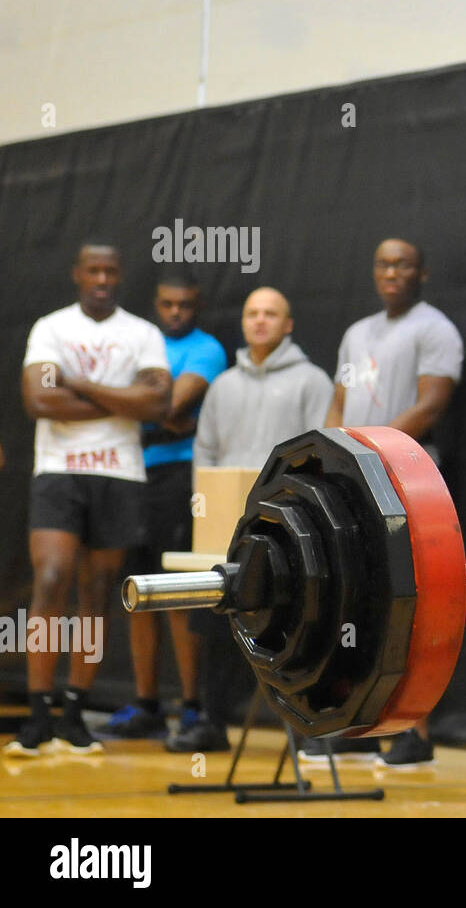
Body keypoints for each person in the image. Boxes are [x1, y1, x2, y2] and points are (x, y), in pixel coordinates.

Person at [6, 241, 171, 757]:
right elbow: (37, 400)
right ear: (77, 274)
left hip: (119, 472)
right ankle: (38, 712)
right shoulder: (51, 328)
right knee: (52, 578)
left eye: (111, 271)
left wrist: (75, 384)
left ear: (120, 277)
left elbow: (157, 403)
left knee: (98, 591)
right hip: (59, 470)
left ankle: (75, 710)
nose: (102, 278)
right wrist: (119, 397)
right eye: (93, 270)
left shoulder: (141, 333)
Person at [311, 237, 462, 768]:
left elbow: (432, 403)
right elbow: (338, 401)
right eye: (383, 263)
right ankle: (361, 726)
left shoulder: (435, 328)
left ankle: (414, 735)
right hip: (353, 482)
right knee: (357, 599)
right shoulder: (356, 334)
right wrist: (331, 456)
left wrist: (372, 455)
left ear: (421, 272)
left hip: (407, 481)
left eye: (402, 264)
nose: (392, 271)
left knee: (410, 600)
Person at [174, 286, 334, 752]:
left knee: (298, 626)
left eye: (271, 314)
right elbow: (204, 453)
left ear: (288, 325)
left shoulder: (312, 381)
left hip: (292, 534)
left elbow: (319, 454)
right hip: (228, 532)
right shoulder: (223, 386)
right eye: (252, 313)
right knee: (218, 620)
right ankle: (212, 721)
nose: (260, 321)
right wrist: (209, 505)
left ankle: (308, 731)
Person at [103, 271, 227, 740]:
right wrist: (150, 412)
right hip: (129, 472)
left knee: (176, 590)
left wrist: (135, 407)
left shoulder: (207, 349)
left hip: (178, 480)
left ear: (197, 306)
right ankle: (147, 703)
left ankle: (192, 705)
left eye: (185, 305)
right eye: (168, 304)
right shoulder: (139, 345)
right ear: (156, 304)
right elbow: (153, 411)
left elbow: (169, 405)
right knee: (136, 591)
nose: (176, 312)